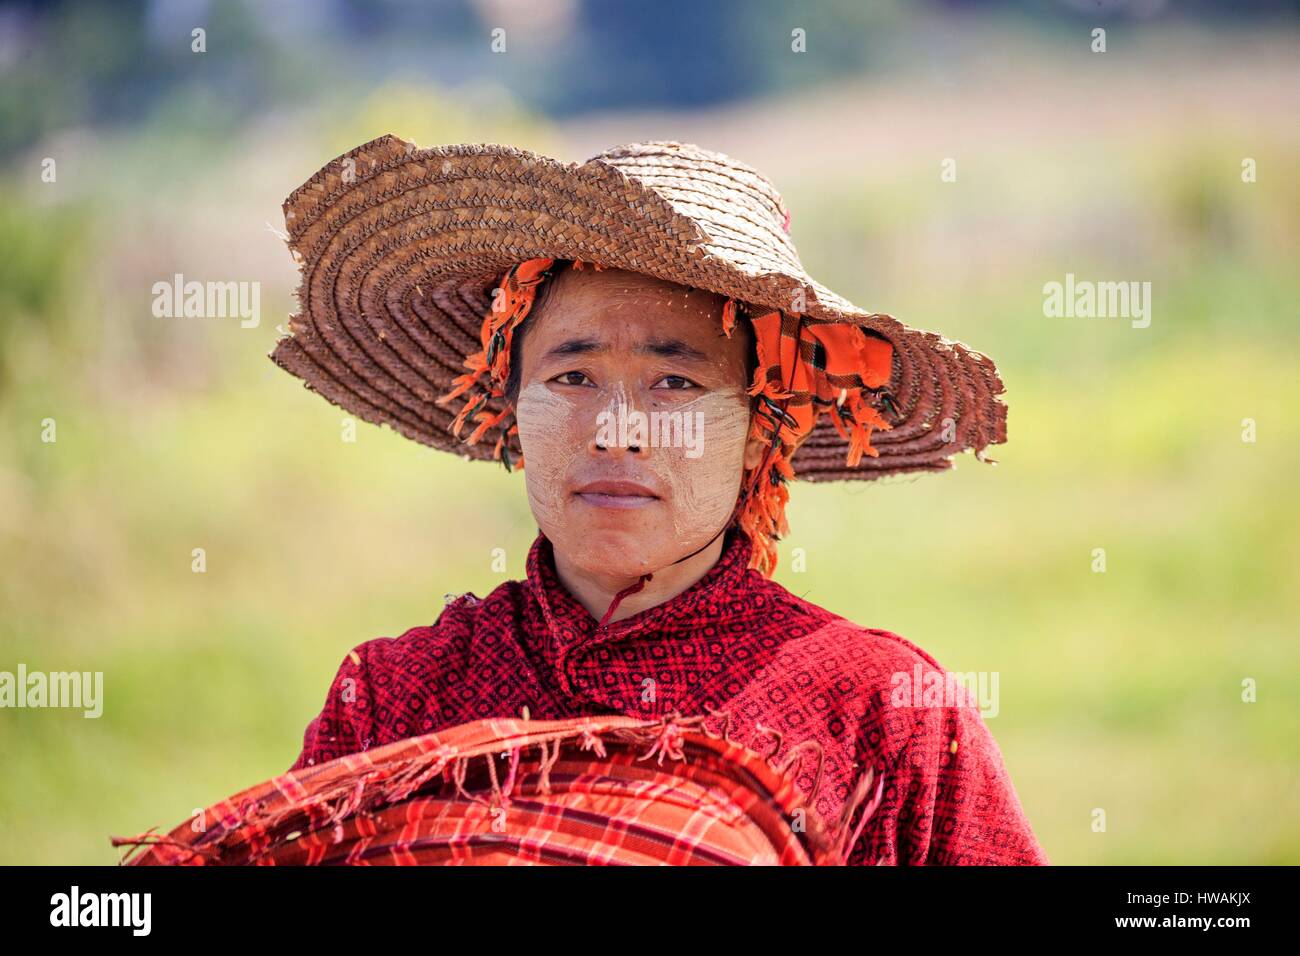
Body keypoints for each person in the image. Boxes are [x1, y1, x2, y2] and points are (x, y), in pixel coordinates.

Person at [271, 137, 1046, 865]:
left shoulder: (884, 710)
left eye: (675, 383)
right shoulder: (395, 696)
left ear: (757, 430)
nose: (616, 433)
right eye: (573, 378)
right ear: (512, 411)